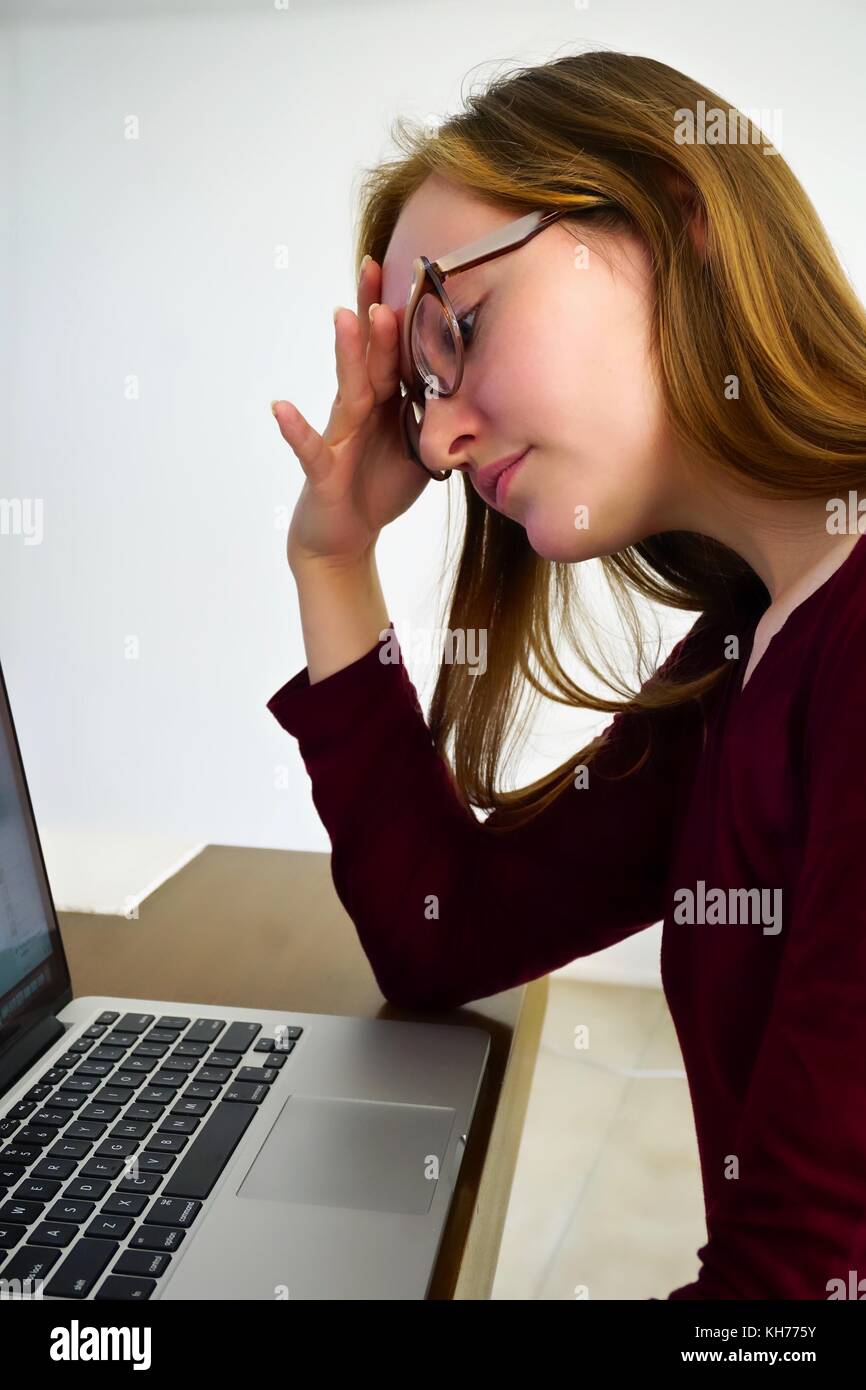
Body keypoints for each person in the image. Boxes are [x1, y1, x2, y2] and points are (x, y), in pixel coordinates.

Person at [265, 50, 866, 1299]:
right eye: (417, 390)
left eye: (461, 328)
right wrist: (333, 558)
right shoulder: (751, 650)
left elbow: (796, 1294)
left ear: (673, 221)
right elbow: (445, 931)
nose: (434, 438)